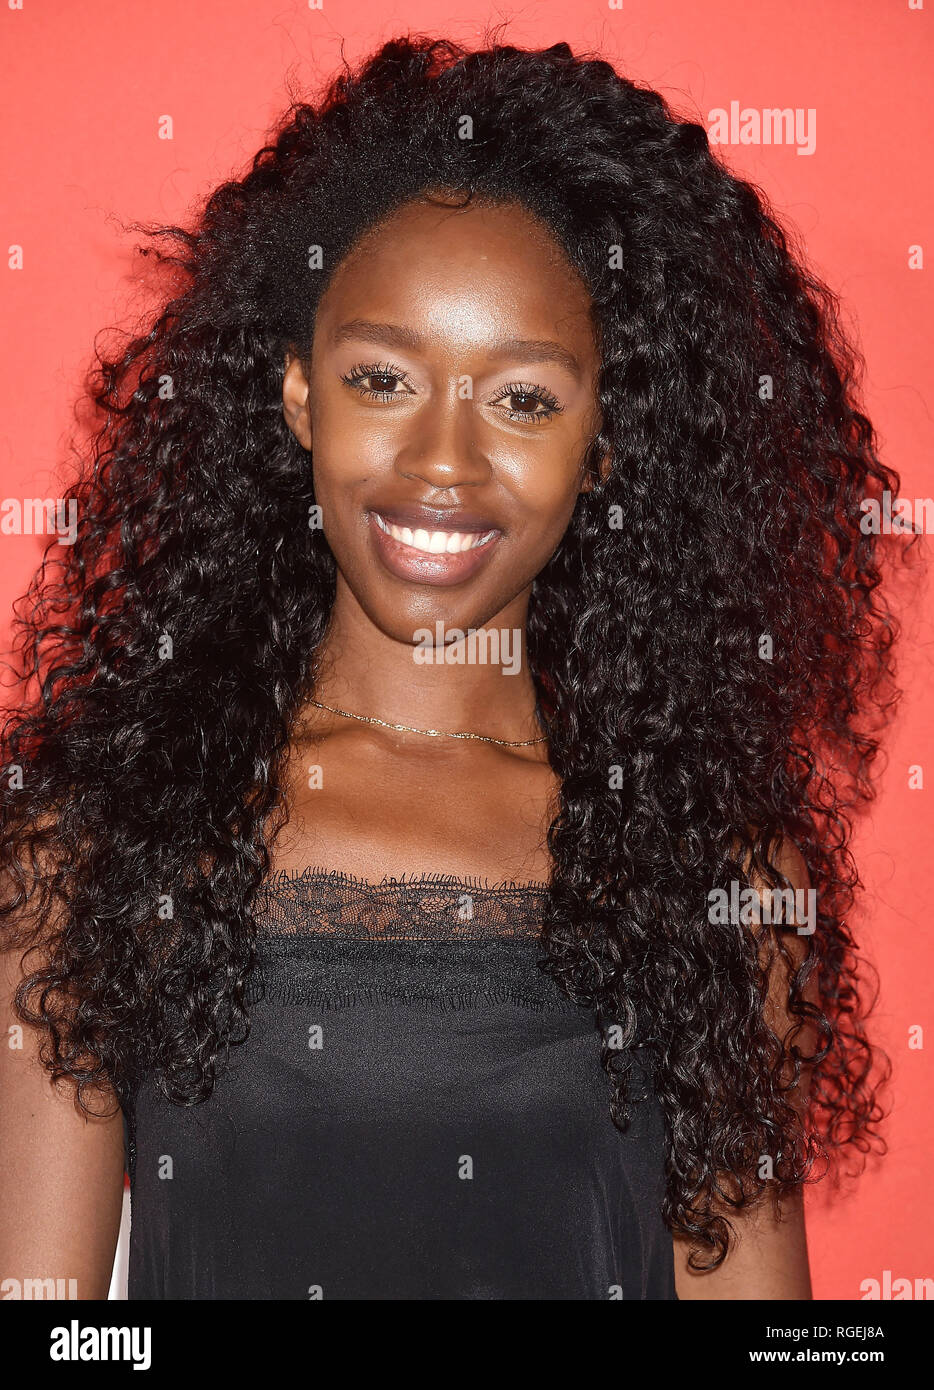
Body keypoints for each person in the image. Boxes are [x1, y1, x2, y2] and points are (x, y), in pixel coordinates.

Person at [0, 33, 907, 1301]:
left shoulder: (715, 872)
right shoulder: (96, 843)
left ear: (607, 446)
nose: (442, 461)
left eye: (524, 400)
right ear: (299, 397)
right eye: (382, 378)